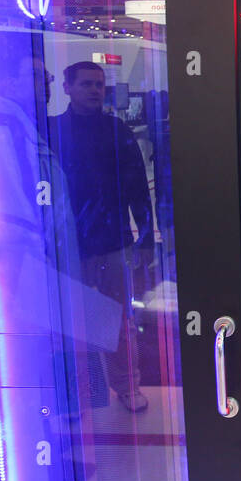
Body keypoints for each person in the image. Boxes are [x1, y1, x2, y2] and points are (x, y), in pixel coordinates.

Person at [49, 61, 155, 412]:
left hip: (113, 241)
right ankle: (84, 392)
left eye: (99, 85)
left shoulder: (117, 130)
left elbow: (137, 184)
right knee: (73, 321)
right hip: (71, 244)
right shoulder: (53, 131)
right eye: (86, 84)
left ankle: (127, 386)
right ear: (67, 87)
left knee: (119, 320)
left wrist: (144, 234)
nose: (95, 90)